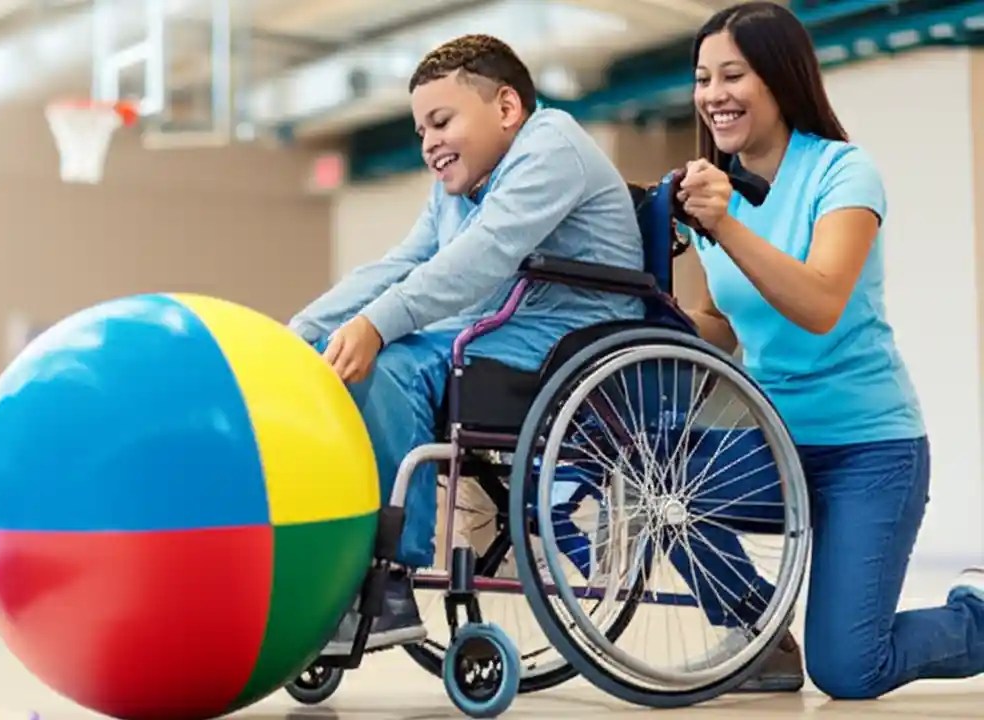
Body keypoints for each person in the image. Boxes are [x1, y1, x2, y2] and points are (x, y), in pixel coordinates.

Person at [288, 33, 646, 654]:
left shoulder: (550, 146)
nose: (428, 142)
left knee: (390, 364)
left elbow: (481, 260)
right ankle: (352, 567)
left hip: (574, 347)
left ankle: (393, 578)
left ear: (506, 109)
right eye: (420, 128)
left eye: (441, 120)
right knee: (346, 359)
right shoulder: (457, 187)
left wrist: (376, 326)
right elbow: (399, 264)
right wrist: (301, 331)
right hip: (506, 334)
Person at [677, 1, 984, 699]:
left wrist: (724, 223)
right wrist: (658, 321)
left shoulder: (843, 172)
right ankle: (762, 640)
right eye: (702, 78)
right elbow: (725, 320)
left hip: (869, 450)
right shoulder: (711, 195)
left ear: (781, 79)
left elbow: (818, 303)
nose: (714, 95)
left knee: (849, 669)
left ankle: (978, 614)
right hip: (772, 445)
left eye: (734, 74)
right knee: (658, 492)